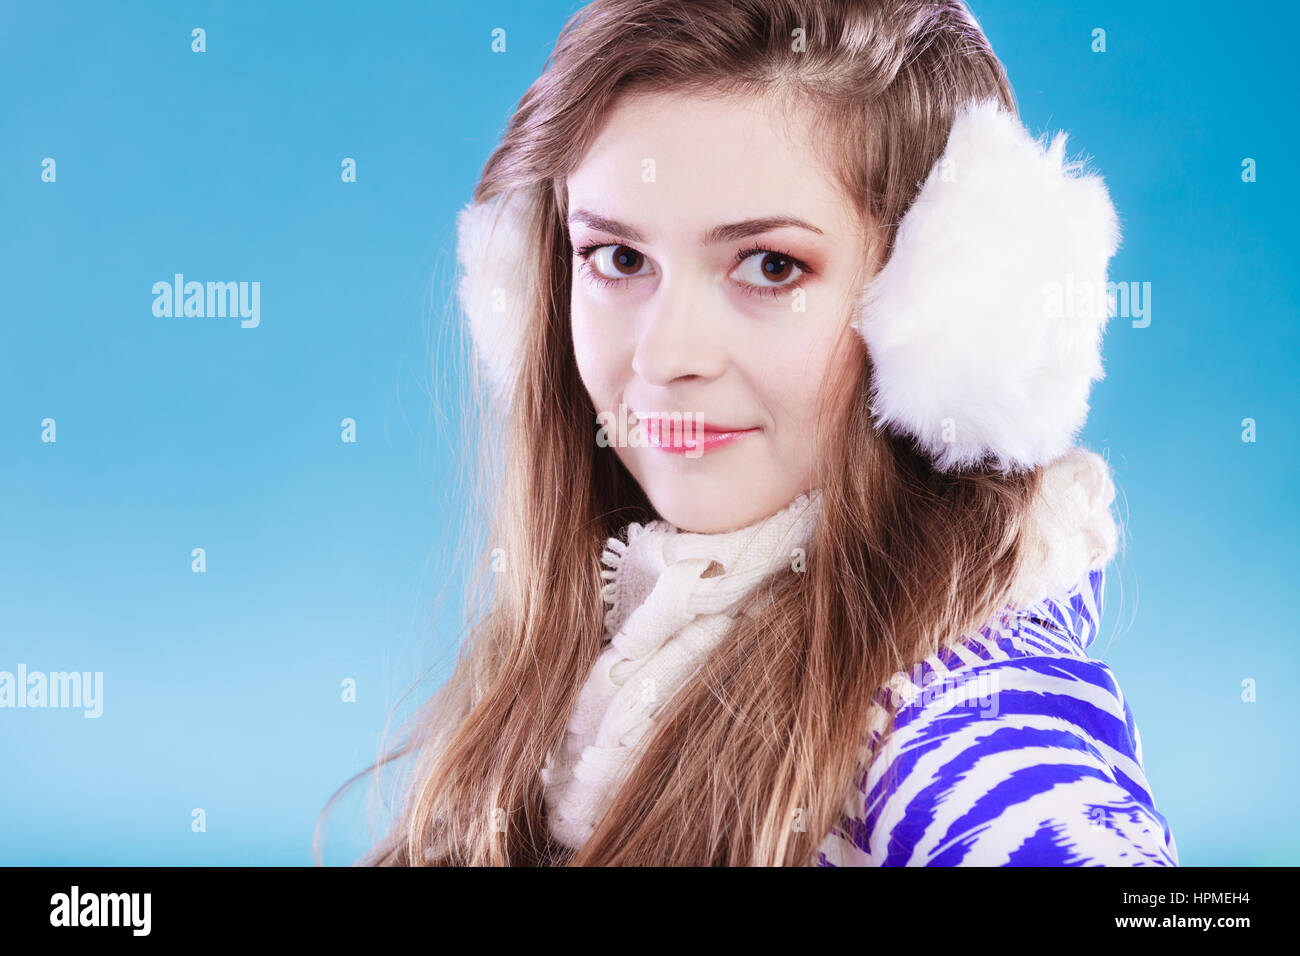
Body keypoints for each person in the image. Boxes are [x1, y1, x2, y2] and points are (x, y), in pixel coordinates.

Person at [351, 0, 1178, 866]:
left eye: (771, 265)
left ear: (948, 308)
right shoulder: (618, 655)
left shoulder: (965, 719)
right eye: (619, 259)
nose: (666, 356)